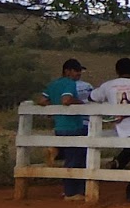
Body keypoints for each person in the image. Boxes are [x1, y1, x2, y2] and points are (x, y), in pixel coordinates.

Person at [89, 58, 130, 201]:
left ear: (117, 71)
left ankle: (119, 162)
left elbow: (92, 97)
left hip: (122, 128)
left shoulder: (108, 85)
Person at [37, 58, 91, 198]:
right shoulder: (70, 83)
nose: (78, 73)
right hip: (74, 125)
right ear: (67, 71)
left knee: (69, 156)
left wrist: (53, 106)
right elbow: (66, 100)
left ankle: (56, 150)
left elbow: (42, 100)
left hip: (59, 125)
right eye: (76, 71)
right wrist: (79, 102)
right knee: (77, 159)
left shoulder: (53, 84)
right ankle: (72, 192)